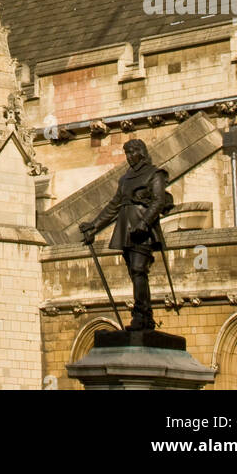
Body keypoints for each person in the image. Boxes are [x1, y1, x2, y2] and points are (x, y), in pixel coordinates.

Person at [79, 138, 173, 332]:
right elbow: (114, 205)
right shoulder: (125, 179)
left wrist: (144, 223)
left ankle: (142, 316)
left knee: (139, 270)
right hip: (126, 228)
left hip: (143, 230)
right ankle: (144, 315)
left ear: (141, 152)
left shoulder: (154, 174)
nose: (129, 157)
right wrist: (94, 226)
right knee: (134, 272)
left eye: (132, 152)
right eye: (127, 153)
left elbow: (158, 201)